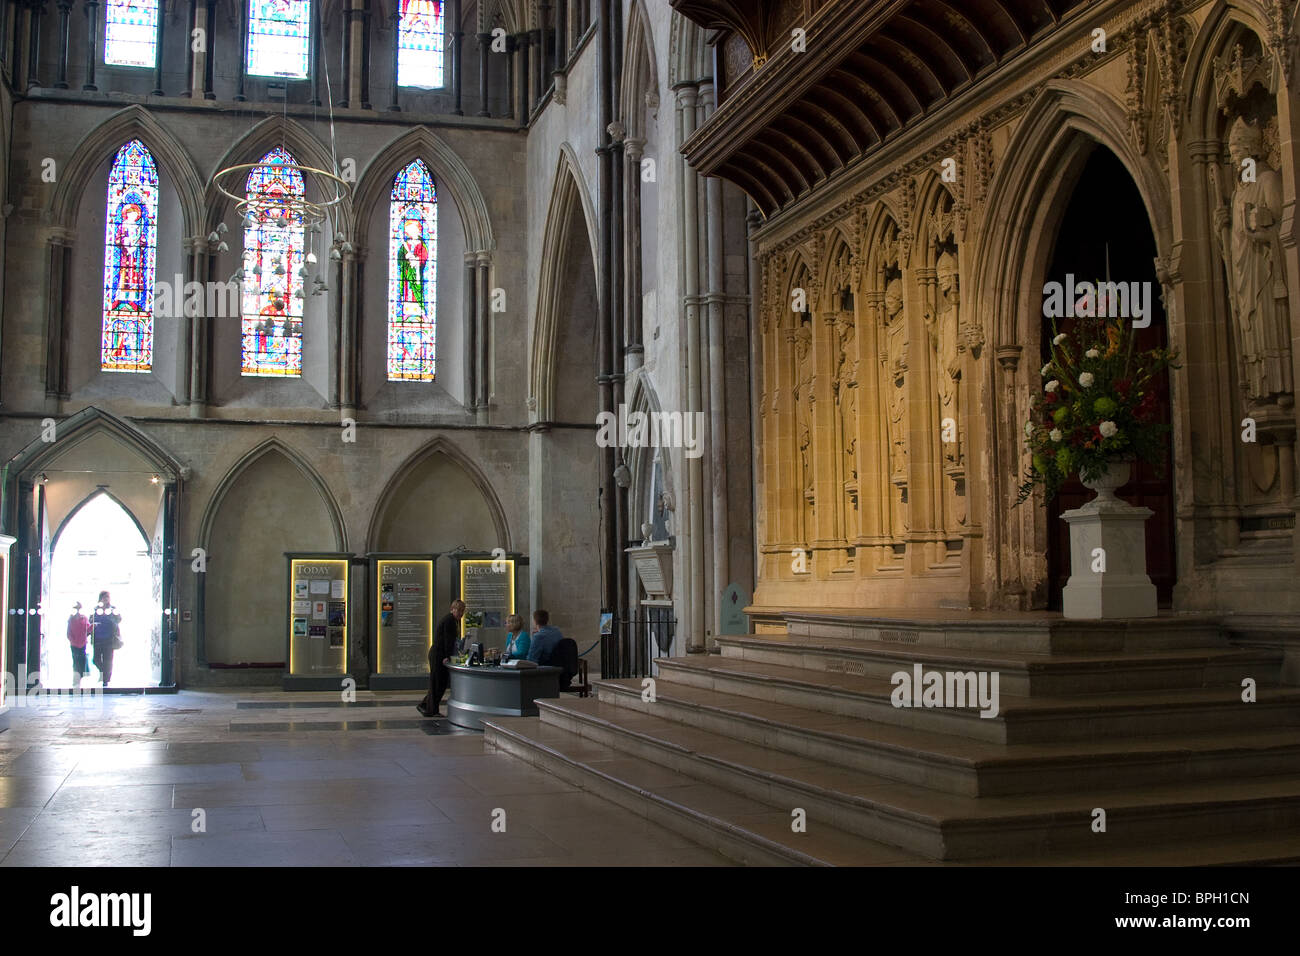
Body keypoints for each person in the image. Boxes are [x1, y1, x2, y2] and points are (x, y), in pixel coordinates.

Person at [418, 599, 464, 718]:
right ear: (452, 609)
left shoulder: (454, 621)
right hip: (439, 654)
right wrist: (446, 656)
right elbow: (447, 641)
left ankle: (425, 705)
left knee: (439, 682)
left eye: (462, 611)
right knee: (438, 682)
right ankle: (431, 710)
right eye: (458, 610)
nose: (461, 613)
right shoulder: (449, 621)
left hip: (440, 653)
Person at [90, 591, 122, 687]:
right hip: (98, 639)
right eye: (104, 597)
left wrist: (114, 615)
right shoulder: (96, 609)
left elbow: (119, 619)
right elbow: (90, 620)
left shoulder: (113, 609)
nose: (106, 599)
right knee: (96, 659)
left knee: (108, 660)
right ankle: (103, 672)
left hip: (109, 639)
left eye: (107, 597)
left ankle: (106, 680)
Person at [66, 602, 91, 691]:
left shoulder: (84, 618)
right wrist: (72, 640)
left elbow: (87, 629)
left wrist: (93, 627)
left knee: (81, 660)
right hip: (74, 644)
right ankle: (77, 680)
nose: (77, 610)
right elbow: (69, 632)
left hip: (82, 643)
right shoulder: (71, 619)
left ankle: (79, 678)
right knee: (76, 661)